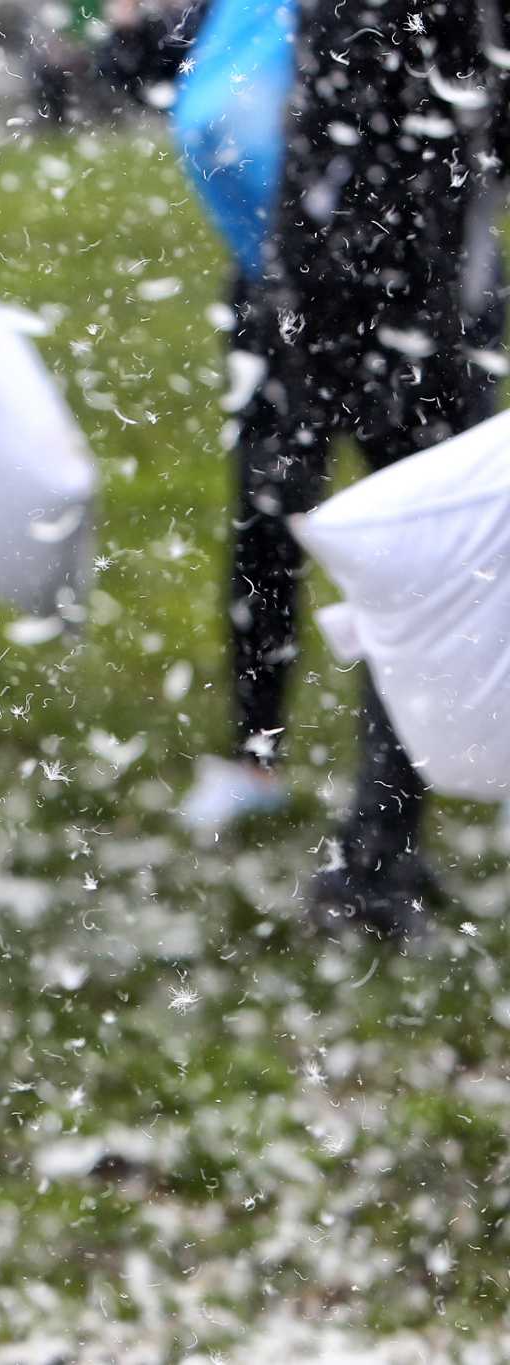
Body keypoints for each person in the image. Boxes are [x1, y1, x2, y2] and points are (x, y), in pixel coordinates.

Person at [181, 0, 507, 936]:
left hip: (326, 290)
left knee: (309, 531)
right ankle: (366, 847)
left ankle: (356, 831)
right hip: (396, 300)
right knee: (405, 553)